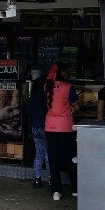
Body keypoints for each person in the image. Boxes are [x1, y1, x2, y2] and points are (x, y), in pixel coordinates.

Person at [44, 63, 79, 201]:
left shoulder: (46, 87)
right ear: (62, 72)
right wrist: (71, 109)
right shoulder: (68, 87)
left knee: (53, 158)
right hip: (65, 126)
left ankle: (56, 191)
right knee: (70, 157)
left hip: (49, 126)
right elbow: (76, 106)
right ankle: (75, 189)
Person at [24, 70, 49, 188]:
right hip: (46, 127)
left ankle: (37, 180)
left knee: (39, 154)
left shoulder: (32, 99)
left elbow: (28, 113)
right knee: (48, 154)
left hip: (35, 128)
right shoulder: (46, 99)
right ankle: (51, 180)